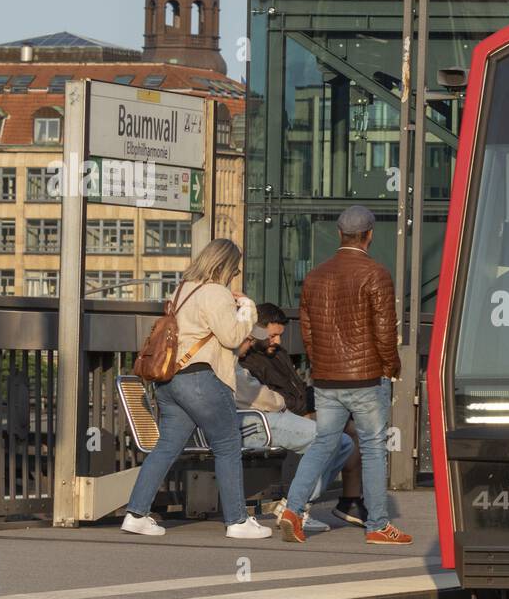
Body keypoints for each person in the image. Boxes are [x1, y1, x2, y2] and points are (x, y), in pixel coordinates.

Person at [274, 206, 412, 545]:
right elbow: (384, 330)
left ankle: (293, 509)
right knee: (373, 448)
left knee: (322, 443)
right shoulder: (375, 274)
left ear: (339, 234)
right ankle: (378, 524)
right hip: (366, 377)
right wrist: (392, 367)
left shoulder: (316, 276)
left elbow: (308, 331)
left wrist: (320, 365)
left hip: (327, 378)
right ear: (369, 235)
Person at [121, 239, 271, 539]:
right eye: (235, 268)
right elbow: (231, 337)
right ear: (225, 265)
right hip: (201, 379)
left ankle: (136, 514)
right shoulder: (216, 293)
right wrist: (247, 309)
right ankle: (238, 521)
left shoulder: (182, 289)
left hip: (170, 381)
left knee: (166, 447)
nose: (235, 273)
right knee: (228, 446)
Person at [239, 303, 369, 528]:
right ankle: (297, 506)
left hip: (293, 412)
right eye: (272, 336)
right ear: (255, 331)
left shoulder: (277, 354)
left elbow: (299, 389)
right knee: (340, 439)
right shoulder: (246, 359)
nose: (277, 342)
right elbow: (264, 399)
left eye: (279, 336)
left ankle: (346, 500)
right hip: (270, 418)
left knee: (349, 431)